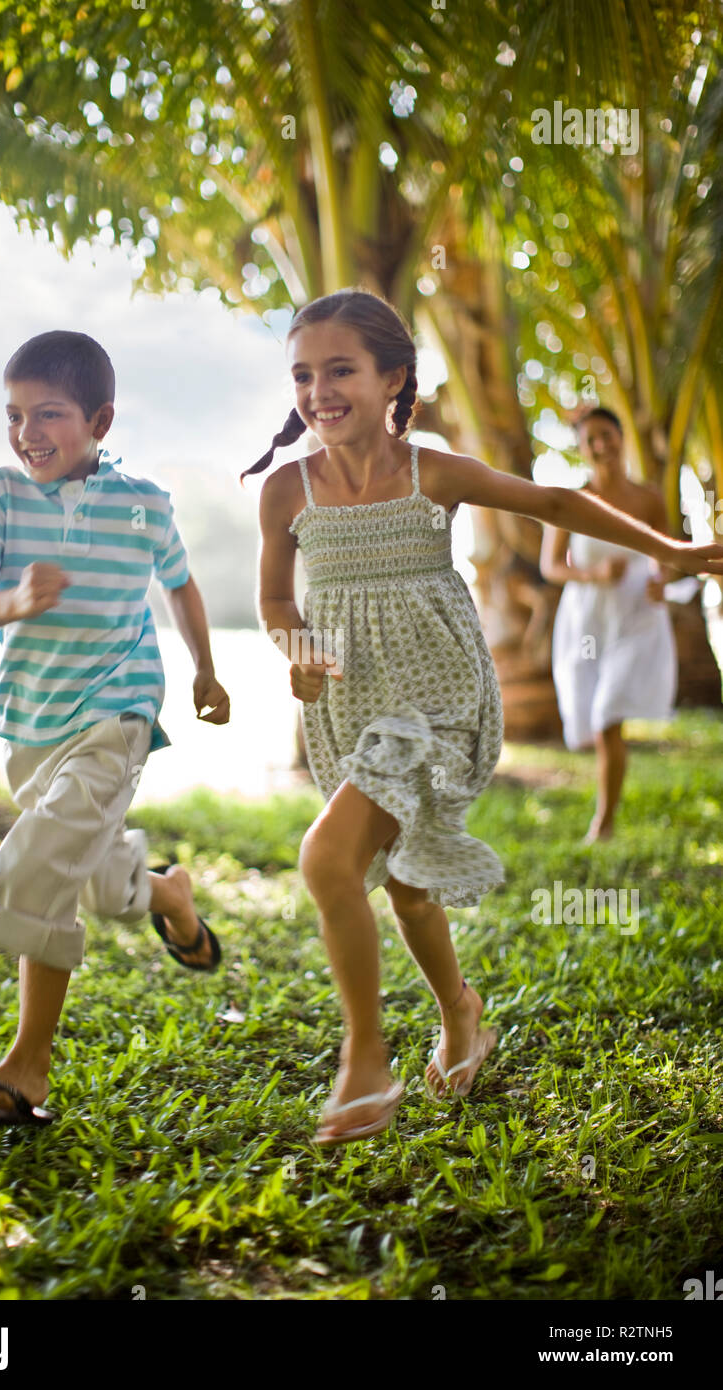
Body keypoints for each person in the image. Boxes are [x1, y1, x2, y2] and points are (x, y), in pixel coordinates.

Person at [245, 289, 723, 1147]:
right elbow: (277, 601)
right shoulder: (286, 492)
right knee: (405, 884)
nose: (318, 389)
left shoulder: (432, 471)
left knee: (326, 857)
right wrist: (298, 649)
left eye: (340, 369)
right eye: (303, 374)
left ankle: (365, 1061)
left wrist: (675, 551)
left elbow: (557, 507)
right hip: (354, 705)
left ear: (395, 378)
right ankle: (461, 1013)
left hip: (441, 700)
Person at [0, 330, 230, 1127]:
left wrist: (205, 669)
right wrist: (13, 602)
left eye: (49, 414)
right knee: (90, 868)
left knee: (41, 857)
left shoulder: (143, 502)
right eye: (15, 415)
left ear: (99, 420)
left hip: (118, 706)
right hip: (31, 722)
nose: (27, 432)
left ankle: (26, 1067)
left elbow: (181, 585)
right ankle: (167, 893)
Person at [540, 406, 682, 845]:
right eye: (590, 441)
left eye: (606, 435)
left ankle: (603, 823)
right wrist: (592, 576)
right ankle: (604, 814)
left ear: (621, 436)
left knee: (607, 715)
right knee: (591, 718)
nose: (600, 445)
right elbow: (550, 566)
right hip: (587, 622)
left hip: (637, 615)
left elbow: (672, 558)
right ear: (582, 450)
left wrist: (664, 582)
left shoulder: (649, 498)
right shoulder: (573, 500)